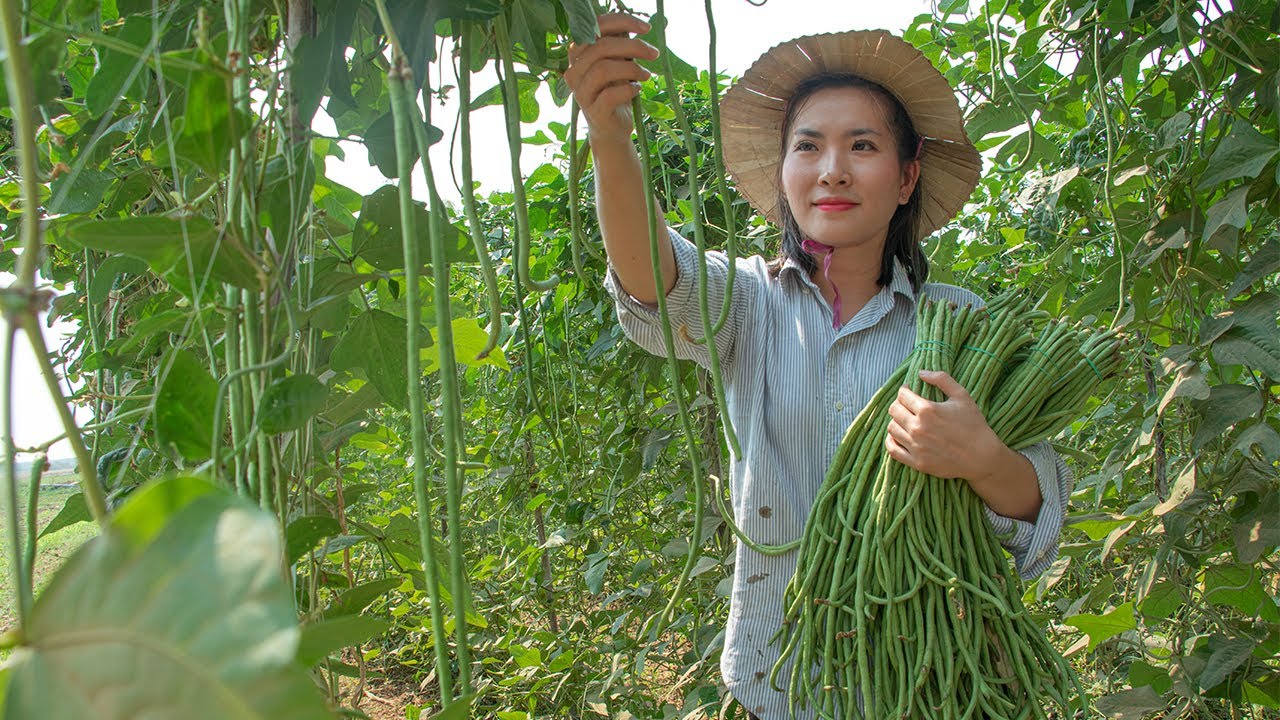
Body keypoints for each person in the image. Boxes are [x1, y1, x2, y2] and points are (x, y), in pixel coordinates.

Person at [564, 15, 1071, 720]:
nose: (833, 168)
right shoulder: (747, 303)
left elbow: (1037, 514)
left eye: (862, 146)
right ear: (784, 175)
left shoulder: (964, 325)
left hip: (928, 687)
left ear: (906, 178)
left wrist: (984, 459)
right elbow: (656, 277)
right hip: (780, 684)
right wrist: (610, 140)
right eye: (809, 146)